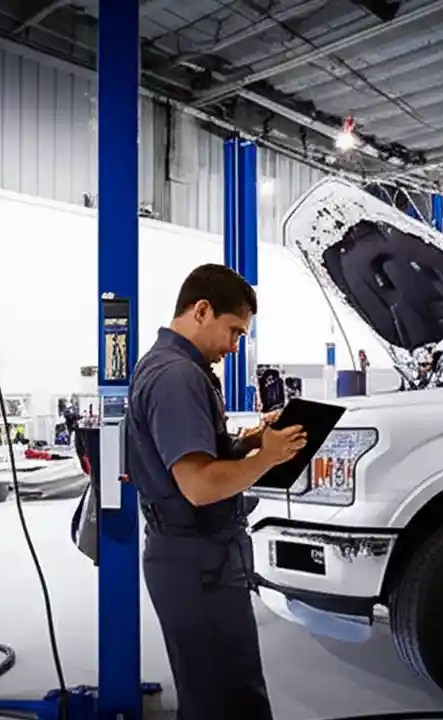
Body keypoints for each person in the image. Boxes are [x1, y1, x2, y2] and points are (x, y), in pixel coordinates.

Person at [126, 263, 308, 720]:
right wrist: (267, 459)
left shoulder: (174, 367)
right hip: (196, 562)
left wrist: (251, 440)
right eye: (234, 331)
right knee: (222, 699)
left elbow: (203, 453)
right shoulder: (177, 377)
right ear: (202, 310)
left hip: (198, 557)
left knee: (226, 689)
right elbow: (200, 486)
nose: (234, 345)